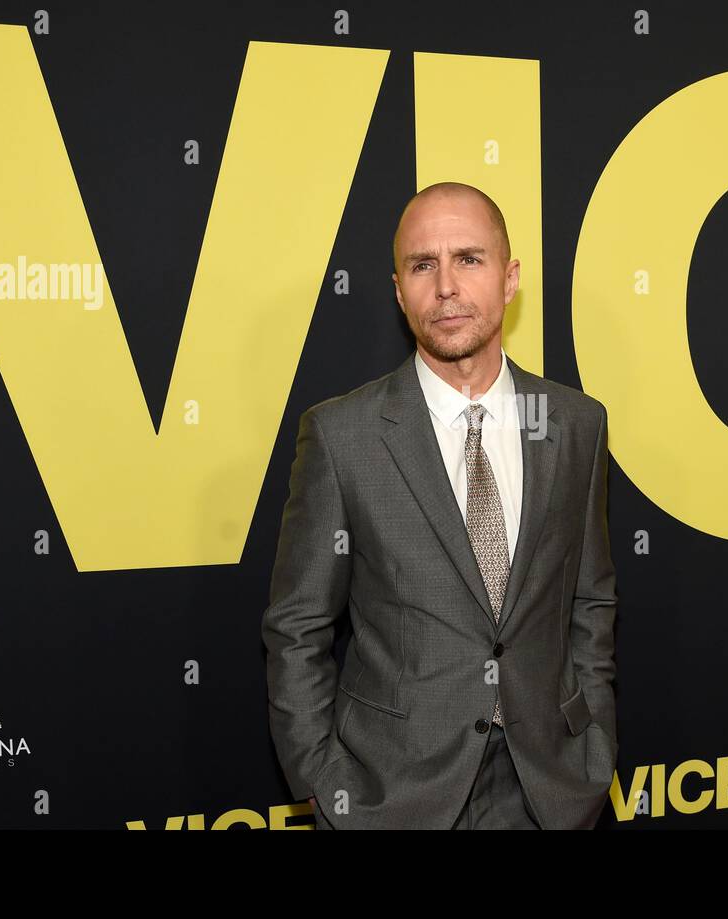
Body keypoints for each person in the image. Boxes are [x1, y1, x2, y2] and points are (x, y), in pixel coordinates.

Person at [262, 181, 618, 829]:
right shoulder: (343, 435)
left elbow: (590, 599)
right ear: (399, 289)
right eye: (423, 265)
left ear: (509, 279)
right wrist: (322, 779)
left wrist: (594, 742)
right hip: (392, 793)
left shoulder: (575, 424)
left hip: (552, 787)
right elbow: (297, 628)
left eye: (469, 259)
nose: (446, 285)